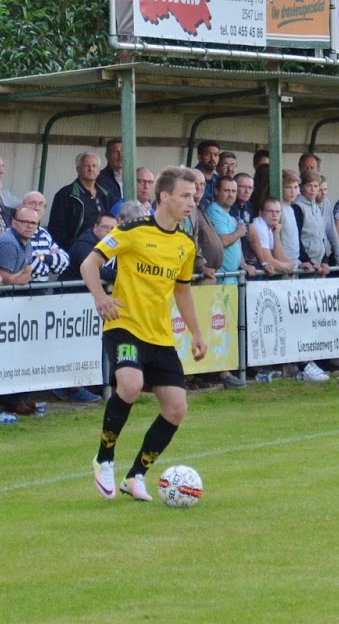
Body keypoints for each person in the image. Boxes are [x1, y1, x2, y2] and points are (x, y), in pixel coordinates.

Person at [82, 166, 208, 502]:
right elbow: (89, 264)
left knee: (177, 408)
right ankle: (104, 458)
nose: (191, 201)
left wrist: (196, 333)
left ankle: (136, 475)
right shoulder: (132, 230)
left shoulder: (185, 244)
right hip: (124, 325)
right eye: (184, 195)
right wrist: (101, 297)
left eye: (194, 196)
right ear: (164, 197)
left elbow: (182, 292)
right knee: (131, 385)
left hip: (160, 336)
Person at [97, 138, 125, 208]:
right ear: (107, 155)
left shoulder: (134, 177)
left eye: (123, 151)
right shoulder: (99, 179)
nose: (120, 156)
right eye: (116, 152)